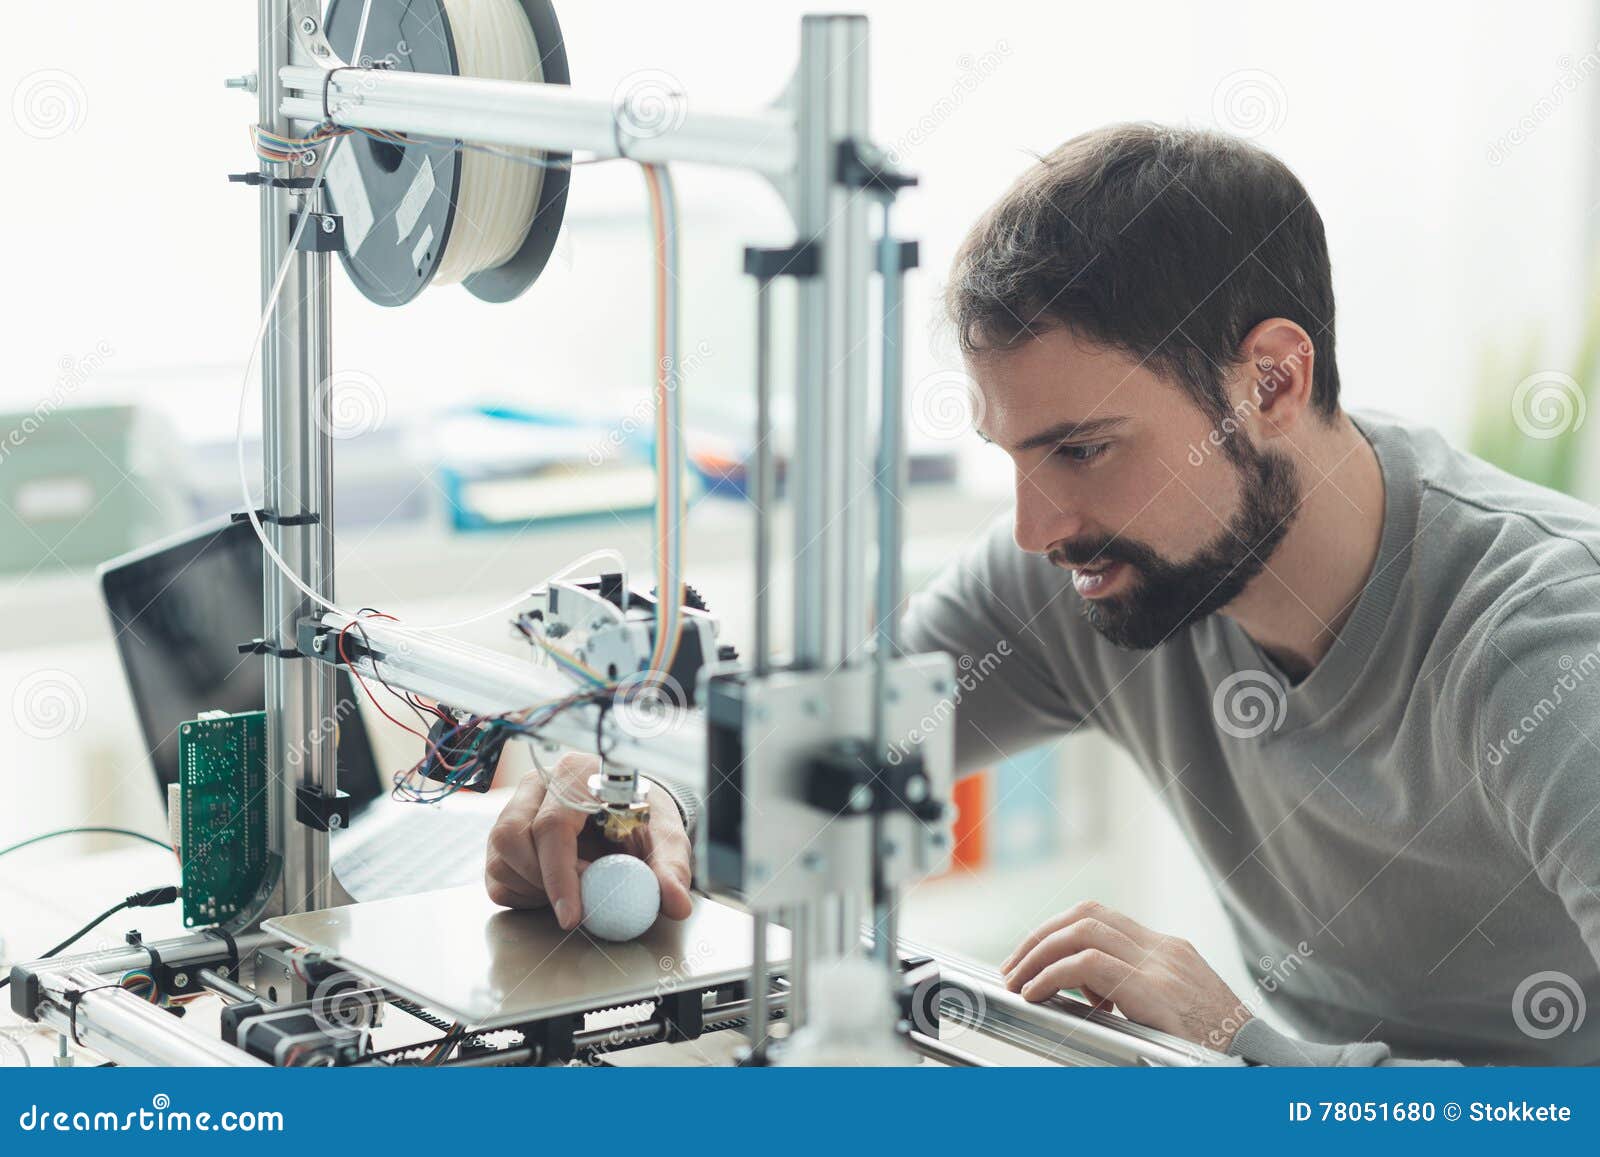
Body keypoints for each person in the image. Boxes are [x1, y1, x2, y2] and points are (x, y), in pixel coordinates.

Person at [485, 123, 1600, 1066]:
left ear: (1269, 380)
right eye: (1014, 455)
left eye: (1082, 449)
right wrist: (635, 812)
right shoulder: (1090, 568)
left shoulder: (1546, 643)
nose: (1037, 529)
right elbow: (827, 765)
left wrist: (1249, 1047)